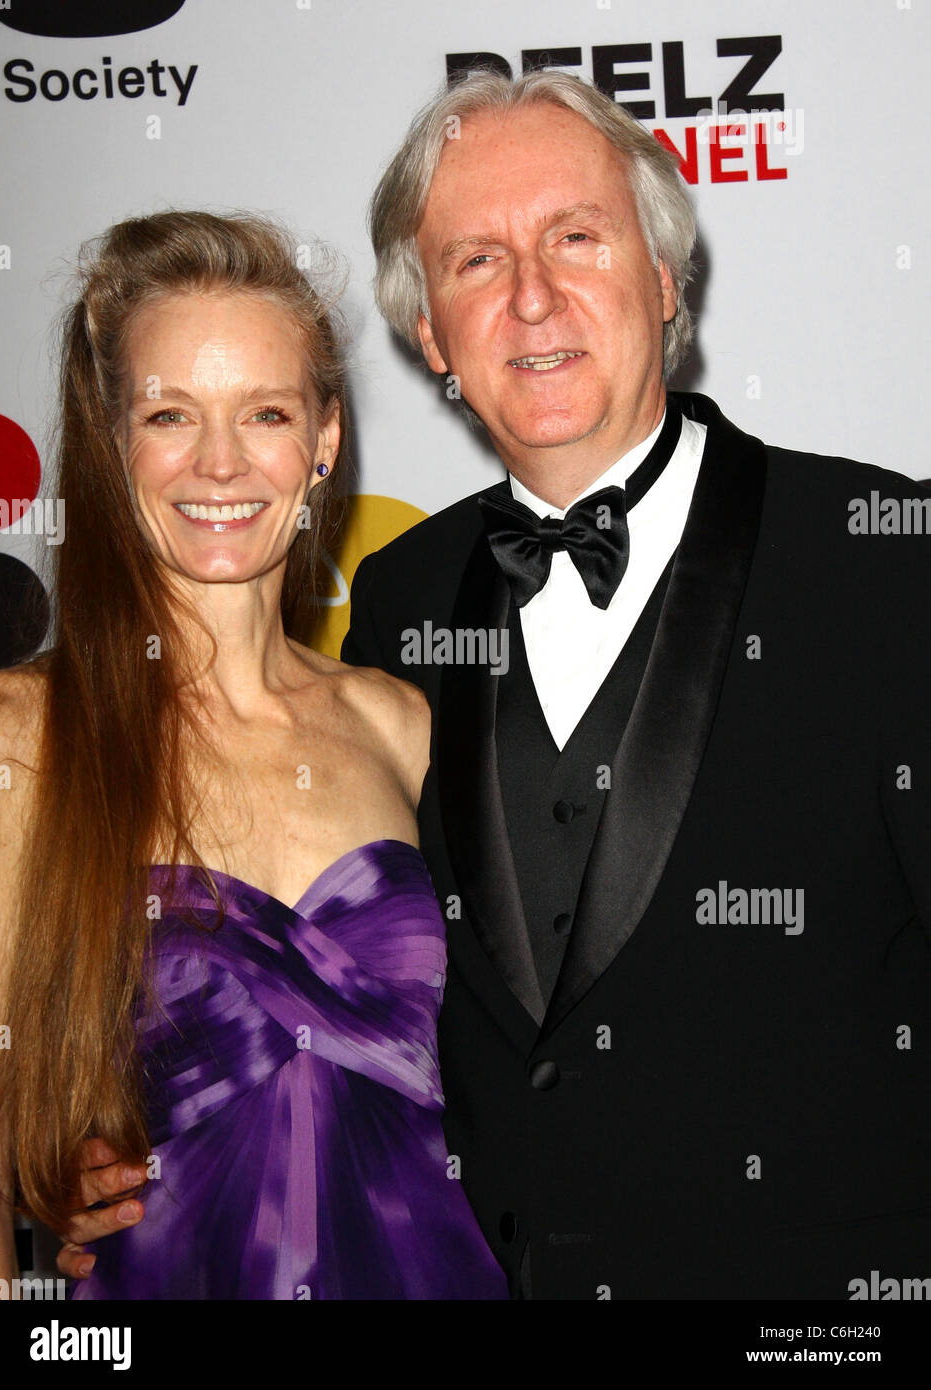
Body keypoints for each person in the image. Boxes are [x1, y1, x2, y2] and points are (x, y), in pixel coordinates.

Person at [61, 71, 931, 1301]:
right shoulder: (403, 601)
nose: (532, 297)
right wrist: (114, 1134)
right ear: (430, 338)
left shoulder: (885, 560)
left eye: (576, 237)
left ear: (667, 279)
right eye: (475, 260)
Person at [0, 210, 508, 1300]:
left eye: (264, 411)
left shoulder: (399, 724)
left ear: (321, 441)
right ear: (110, 439)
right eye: (169, 413)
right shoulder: (17, 739)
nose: (219, 462)